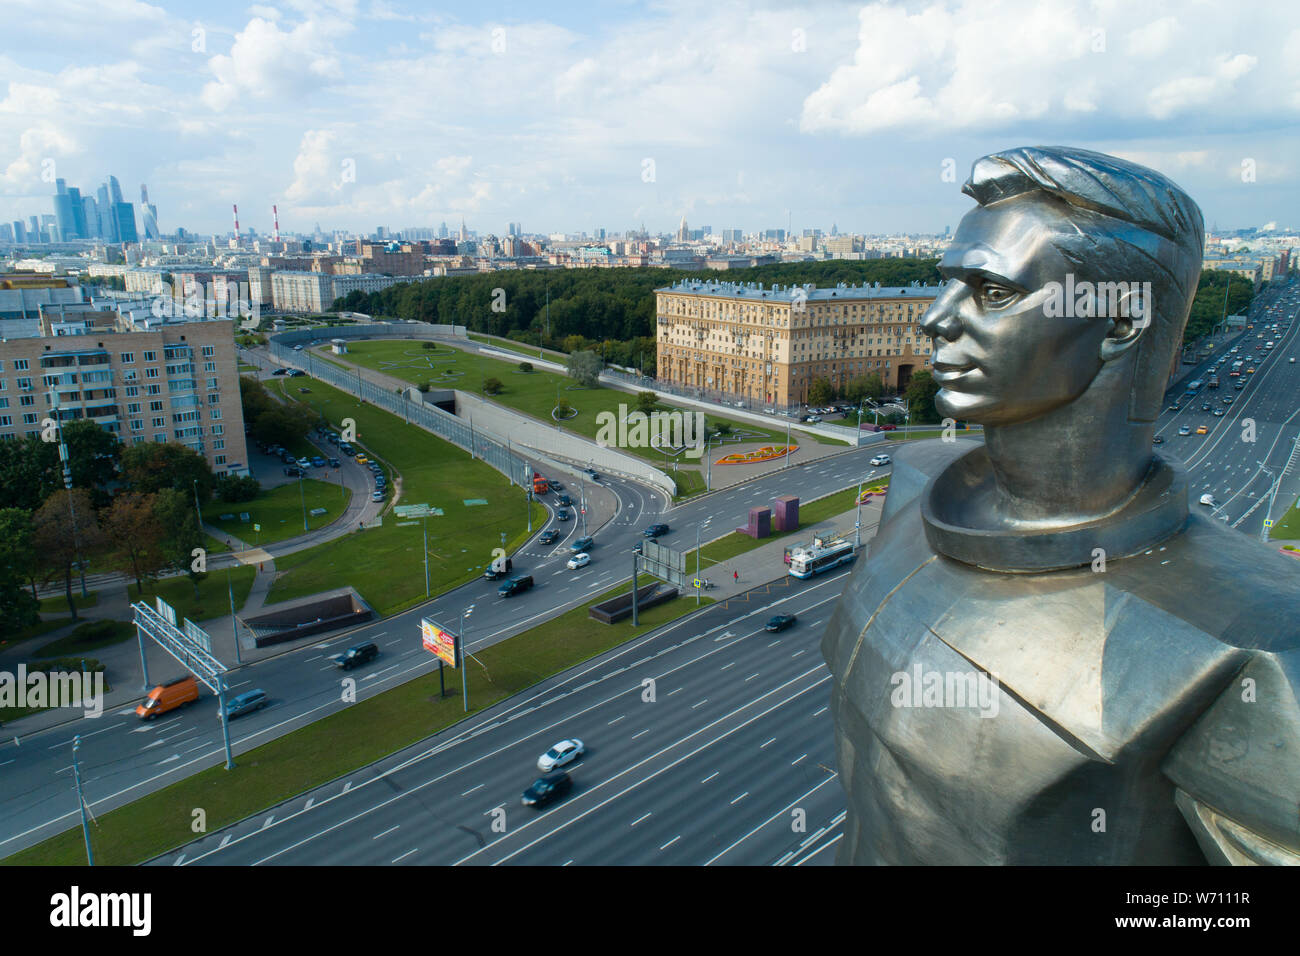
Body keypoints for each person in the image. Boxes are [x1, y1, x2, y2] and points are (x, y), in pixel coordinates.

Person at [822, 145, 1300, 866]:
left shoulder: (1250, 650)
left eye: (991, 291)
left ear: (1118, 324)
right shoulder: (915, 484)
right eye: (947, 284)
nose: (934, 319)